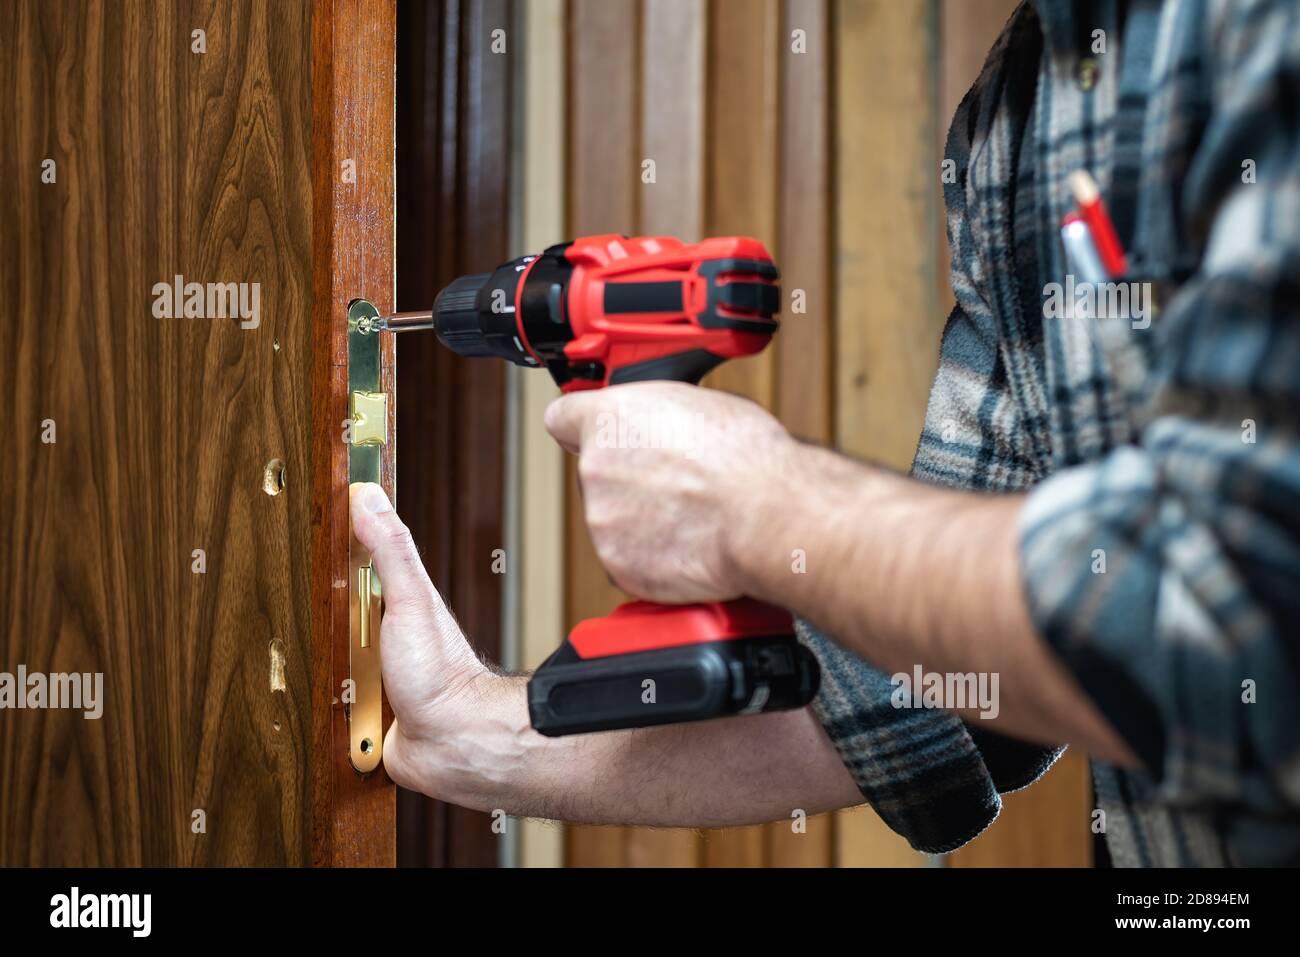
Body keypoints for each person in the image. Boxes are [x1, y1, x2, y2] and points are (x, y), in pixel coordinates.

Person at [353, 0, 1300, 866]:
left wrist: (758, 503)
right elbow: (953, 678)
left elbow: (1247, 607)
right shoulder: (1019, 115)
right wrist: (473, 732)